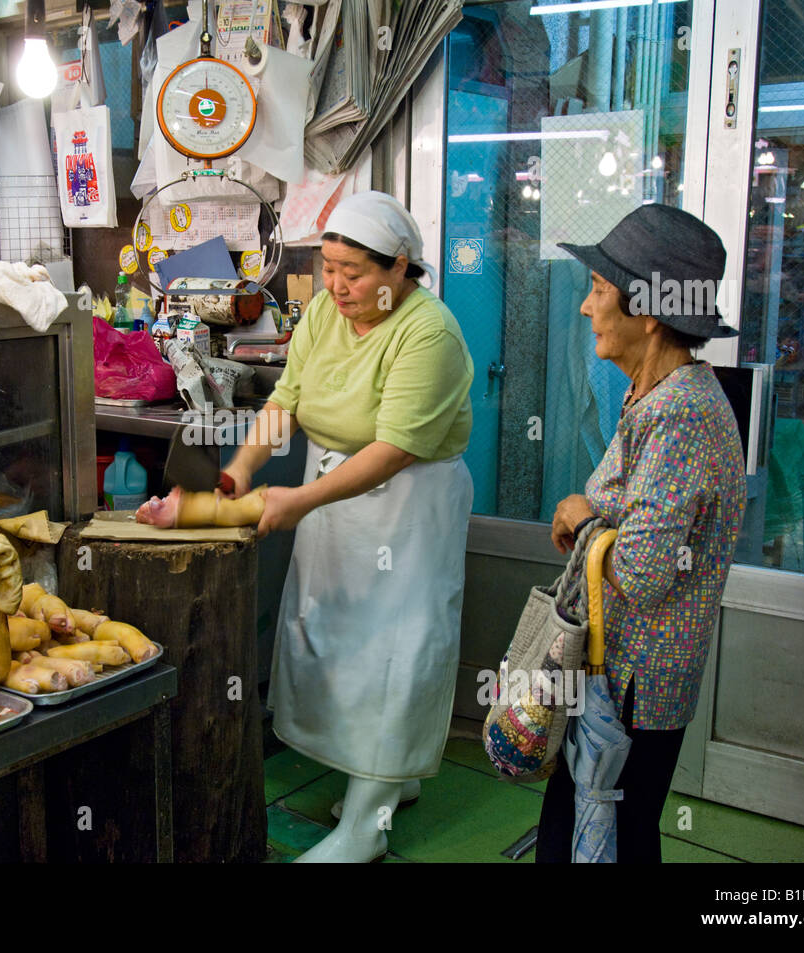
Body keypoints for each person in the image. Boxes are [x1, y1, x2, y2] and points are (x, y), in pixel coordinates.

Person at [221, 191, 475, 863]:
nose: (336, 284)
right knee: (334, 637)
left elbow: (394, 448)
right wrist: (240, 471)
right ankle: (391, 774)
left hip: (406, 503)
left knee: (393, 651)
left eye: (353, 271)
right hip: (332, 496)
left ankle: (366, 823)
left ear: (398, 267)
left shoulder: (430, 332)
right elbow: (288, 399)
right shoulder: (327, 316)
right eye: (327, 266)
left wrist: (299, 501)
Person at [537, 204, 747, 862]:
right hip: (613, 675)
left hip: (634, 686)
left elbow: (647, 570)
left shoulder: (681, 411)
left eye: (598, 291)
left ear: (649, 312)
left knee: (610, 840)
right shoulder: (652, 395)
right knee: (588, 835)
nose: (585, 308)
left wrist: (581, 514)